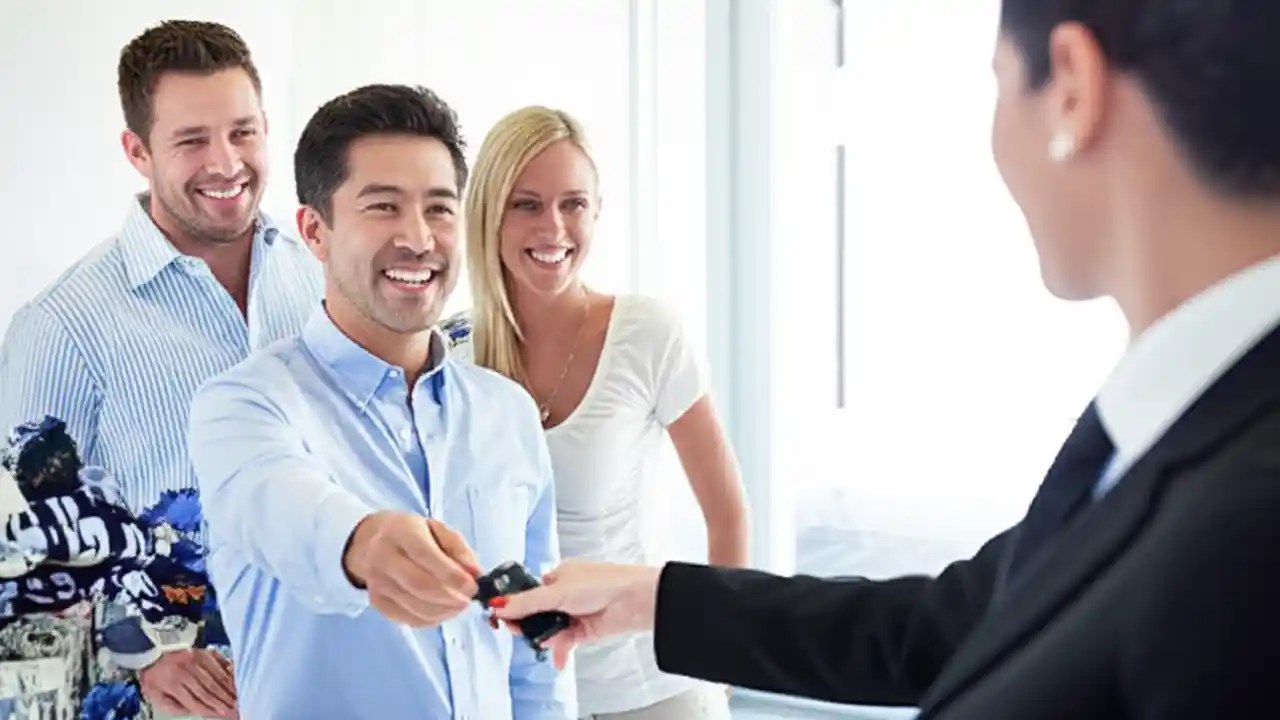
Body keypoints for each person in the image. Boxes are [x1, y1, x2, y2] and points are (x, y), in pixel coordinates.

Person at [490, 2, 1280, 718]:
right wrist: (655, 599)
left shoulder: (1243, 522)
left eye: (998, 82)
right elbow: (948, 624)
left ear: (1072, 87)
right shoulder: (1162, 428)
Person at [186, 83, 576, 720]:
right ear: (314, 230)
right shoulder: (243, 406)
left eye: (439, 209)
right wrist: (364, 544)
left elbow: (537, 651)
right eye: (384, 207)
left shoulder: (507, 414)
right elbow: (280, 503)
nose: (419, 238)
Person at [0, 20, 321, 719]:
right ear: (137, 151)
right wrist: (137, 656)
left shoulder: (320, 277)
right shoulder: (62, 326)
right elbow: (20, 558)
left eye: (242, 132)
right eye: (191, 140)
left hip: (325, 677)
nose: (226, 163)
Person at [450, 105, 748, 719]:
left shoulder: (647, 333)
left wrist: (722, 660)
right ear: (488, 214)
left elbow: (727, 512)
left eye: (574, 204)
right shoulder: (451, 355)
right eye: (527, 204)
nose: (554, 228)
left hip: (652, 688)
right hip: (514, 694)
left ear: (596, 212)